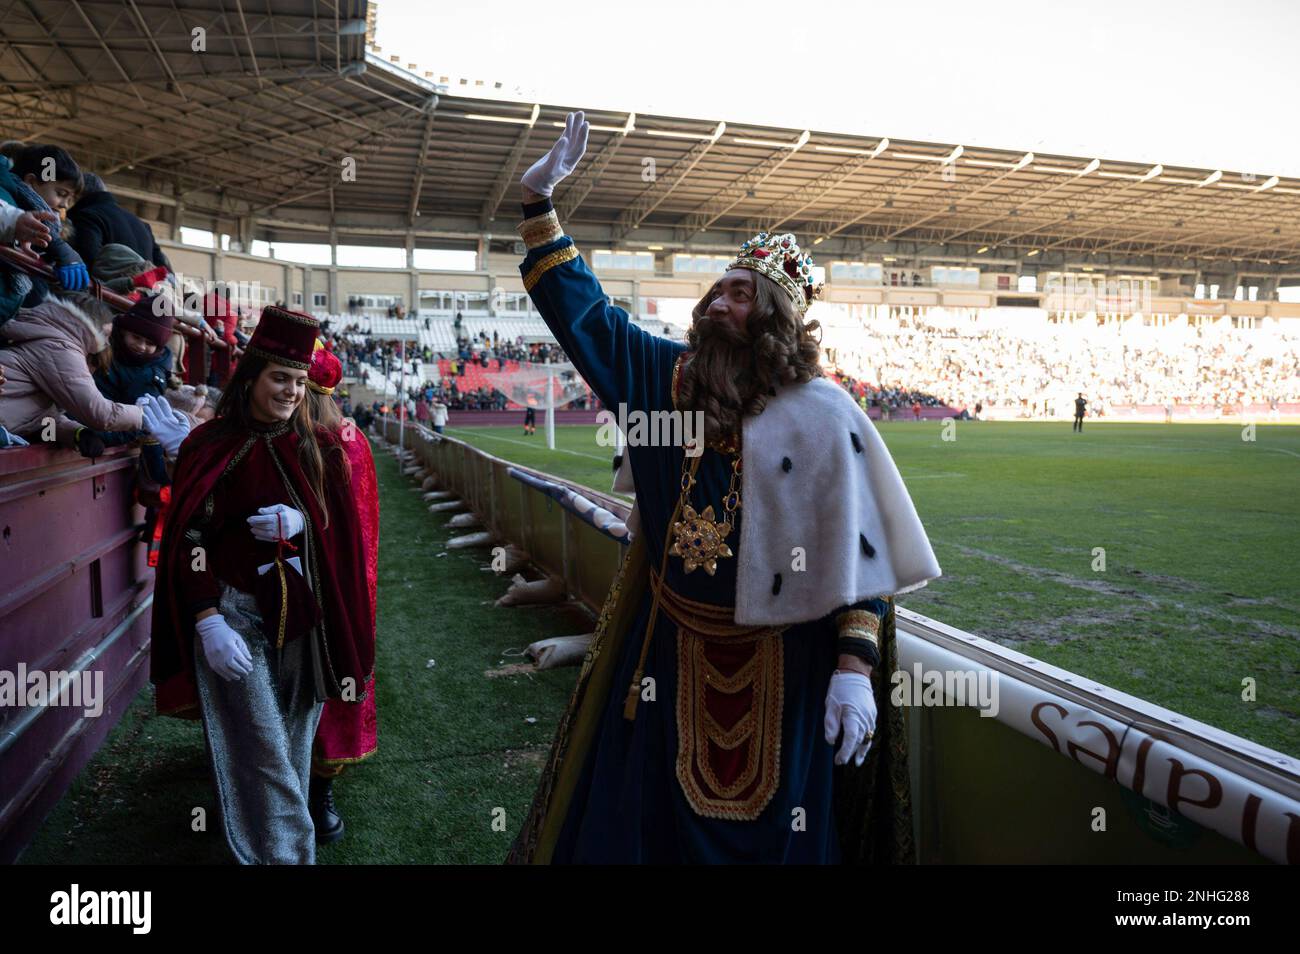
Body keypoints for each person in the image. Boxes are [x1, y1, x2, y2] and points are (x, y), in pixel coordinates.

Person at [507, 113, 941, 865]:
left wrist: (853, 673)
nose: (716, 303)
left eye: (739, 294)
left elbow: (861, 557)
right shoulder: (664, 380)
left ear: (773, 319)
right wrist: (539, 200)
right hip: (666, 653)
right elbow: (588, 319)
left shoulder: (823, 413)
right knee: (650, 834)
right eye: (717, 290)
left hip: (791, 669)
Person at [149, 305, 374, 865]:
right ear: (250, 377)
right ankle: (287, 859)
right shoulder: (207, 447)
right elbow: (190, 541)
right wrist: (207, 620)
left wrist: (308, 526)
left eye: (300, 382)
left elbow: (344, 544)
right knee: (262, 750)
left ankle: (271, 852)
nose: (292, 391)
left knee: (292, 750)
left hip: (305, 623)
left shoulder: (320, 450)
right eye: (280, 378)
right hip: (234, 619)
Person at [304, 341, 379, 843]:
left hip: (328, 585)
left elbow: (358, 533)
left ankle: (318, 785)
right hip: (273, 582)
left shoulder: (343, 443)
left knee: (326, 675)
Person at [0, 296, 147, 456]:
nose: (107, 343)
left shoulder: (47, 337)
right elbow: (99, 414)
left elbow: (40, 418)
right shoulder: (59, 347)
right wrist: (144, 416)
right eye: (105, 335)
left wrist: (77, 433)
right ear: (90, 327)